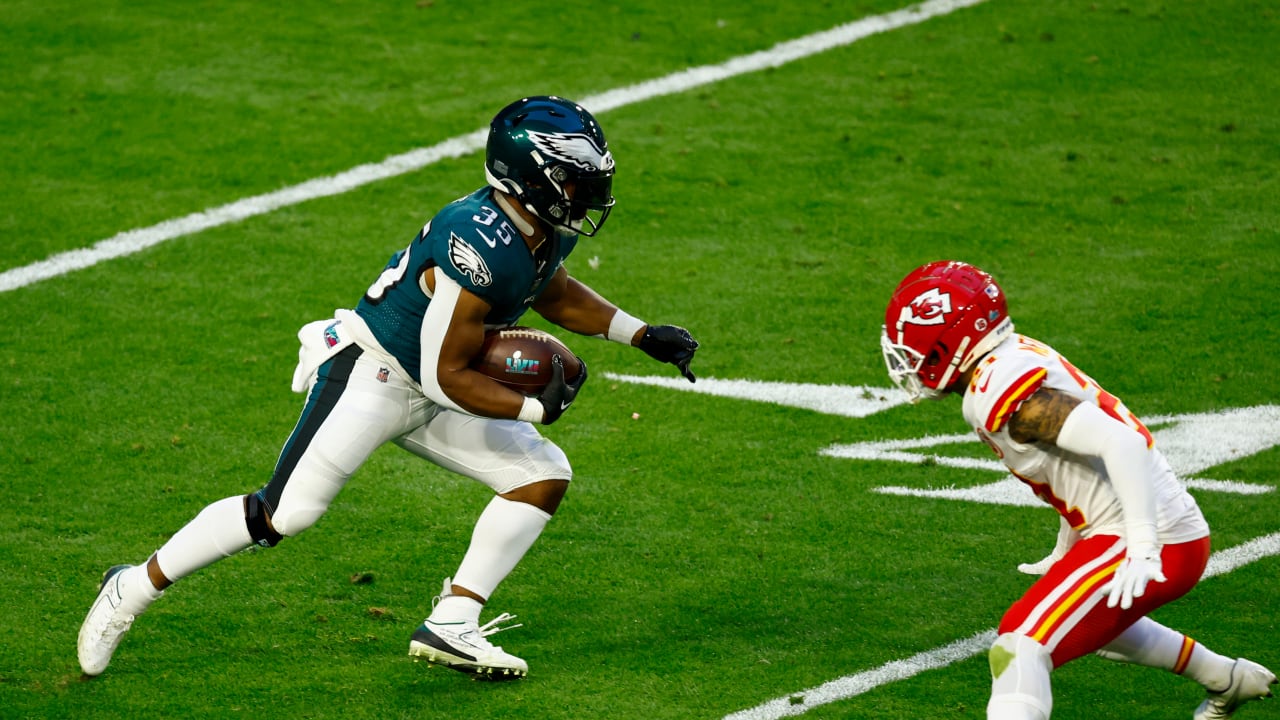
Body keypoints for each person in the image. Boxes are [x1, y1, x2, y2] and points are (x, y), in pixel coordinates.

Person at [77, 95, 700, 681]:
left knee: (538, 475)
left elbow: (554, 290)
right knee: (283, 514)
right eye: (572, 177)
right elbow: (443, 375)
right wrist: (530, 404)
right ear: (528, 176)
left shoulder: (536, 224)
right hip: (374, 374)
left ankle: (452, 621)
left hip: (430, 379)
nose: (585, 191)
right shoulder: (478, 240)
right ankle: (130, 588)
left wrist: (641, 334)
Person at [880, 260, 1275, 719]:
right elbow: (1074, 467)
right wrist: (1070, 540)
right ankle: (1229, 679)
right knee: (1085, 628)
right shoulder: (1005, 359)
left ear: (950, 340)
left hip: (1152, 534)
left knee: (1019, 645)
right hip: (1152, 526)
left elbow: (1121, 442)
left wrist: (1144, 546)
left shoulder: (995, 386)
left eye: (912, 344)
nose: (906, 358)